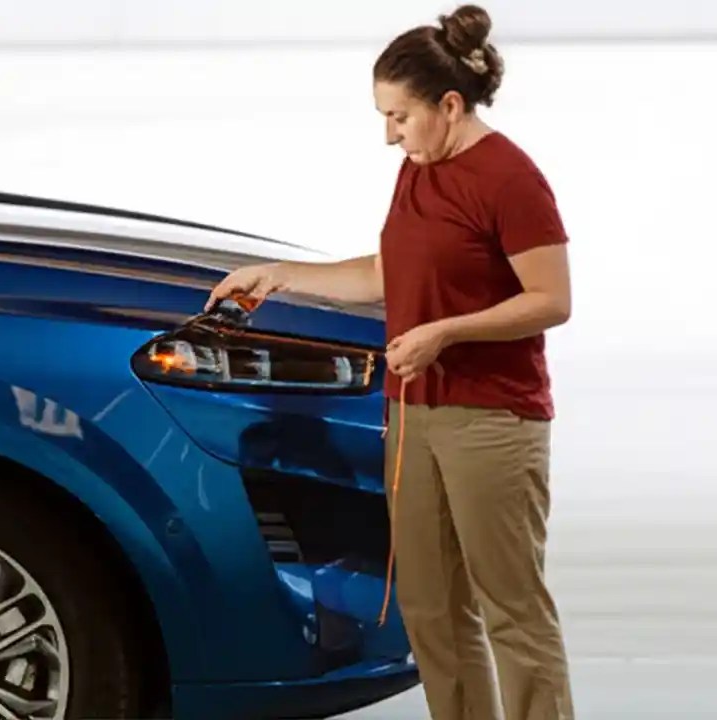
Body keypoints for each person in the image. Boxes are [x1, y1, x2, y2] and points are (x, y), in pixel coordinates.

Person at [205, 5, 574, 719]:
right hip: (413, 415)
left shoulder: (510, 179)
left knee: (511, 606)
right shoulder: (418, 171)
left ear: (450, 105)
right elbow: (387, 274)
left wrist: (446, 334)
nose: (389, 134)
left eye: (399, 116)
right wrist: (280, 276)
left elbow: (550, 299)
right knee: (431, 606)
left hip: (491, 421)